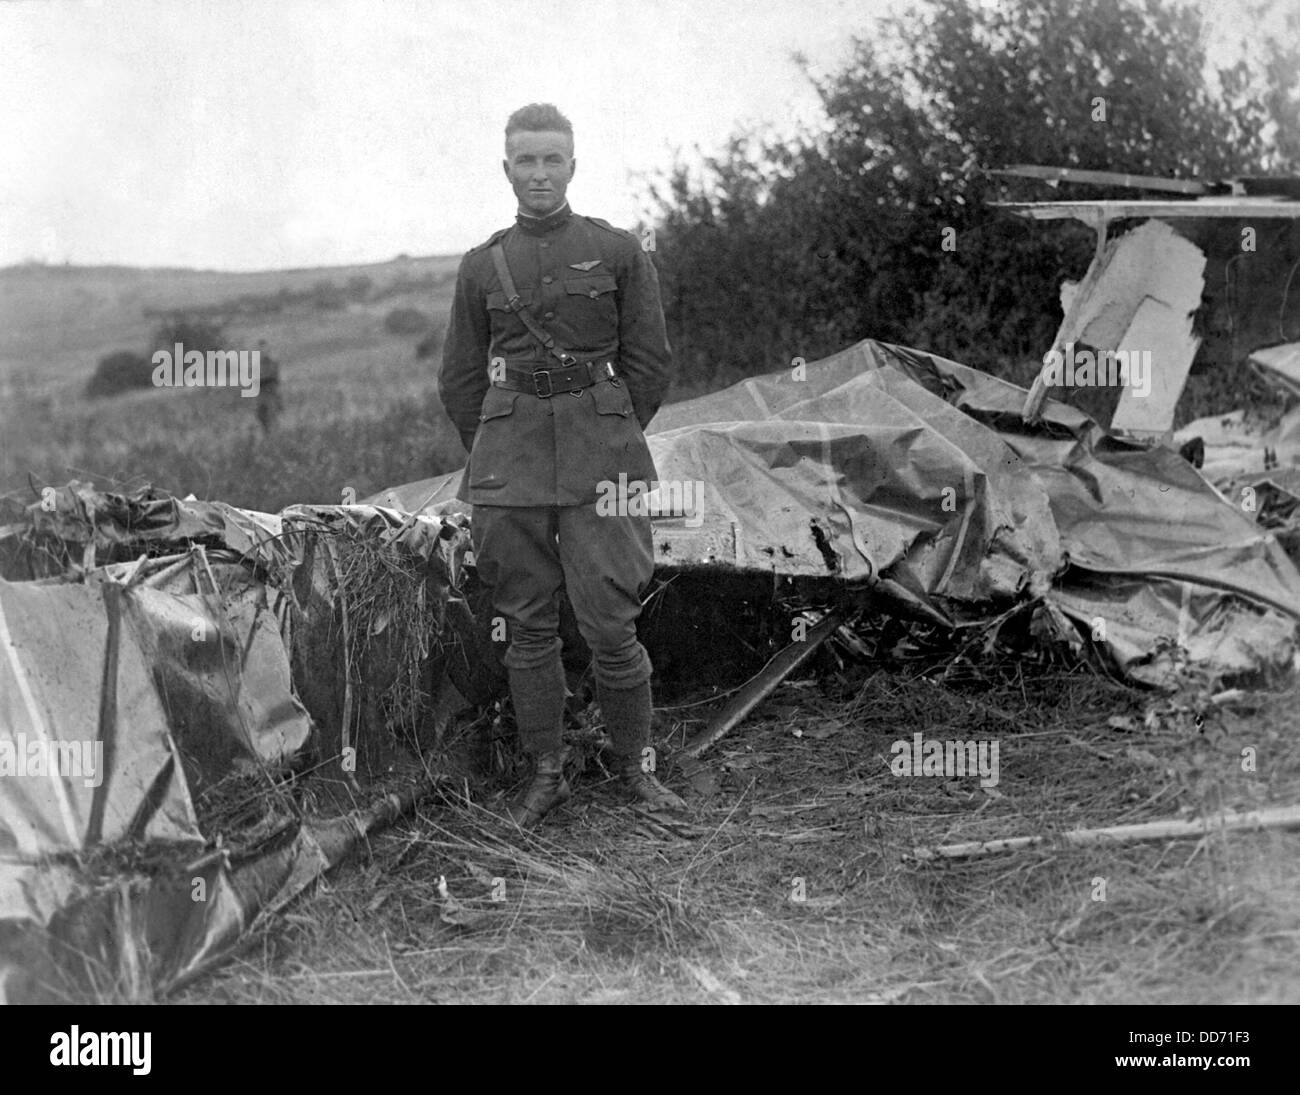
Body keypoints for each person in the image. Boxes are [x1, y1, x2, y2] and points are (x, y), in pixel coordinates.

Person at [438, 103, 687, 827]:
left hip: (600, 461)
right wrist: (494, 448)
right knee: (525, 624)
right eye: (526, 160)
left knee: (611, 620)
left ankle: (636, 771)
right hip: (509, 466)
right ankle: (545, 776)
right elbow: (460, 378)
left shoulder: (617, 252)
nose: (539, 173)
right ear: (507, 168)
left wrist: (608, 430)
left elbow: (650, 361)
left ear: (572, 167)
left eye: (552, 160)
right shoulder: (482, 265)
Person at [255, 339, 282, 433]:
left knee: (272, 417)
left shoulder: (272, 363)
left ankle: (274, 437)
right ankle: (268, 436)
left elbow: (273, 377)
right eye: (260, 350)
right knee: (261, 416)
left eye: (264, 349)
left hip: (270, 393)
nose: (262, 352)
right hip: (261, 394)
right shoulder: (256, 364)